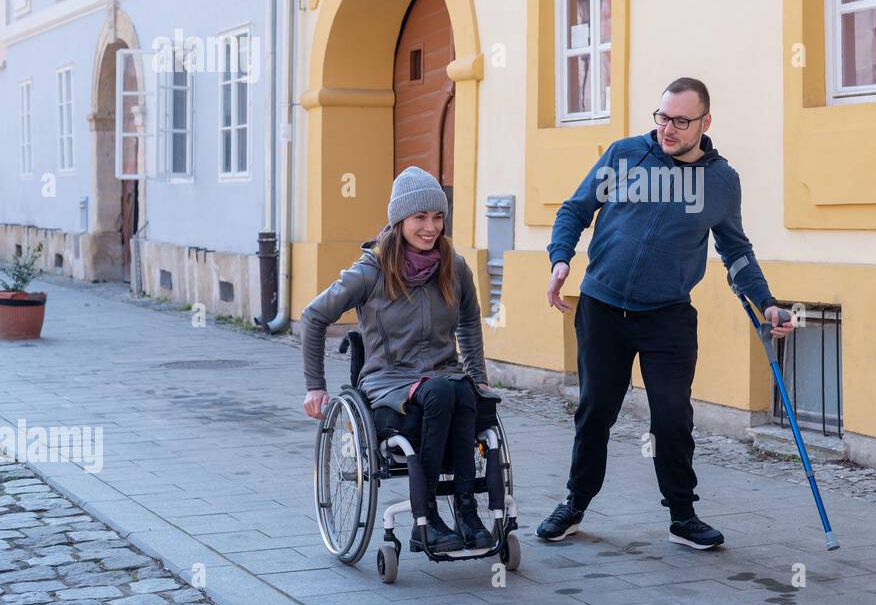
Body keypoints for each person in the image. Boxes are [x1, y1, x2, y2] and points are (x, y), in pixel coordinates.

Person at [537, 77, 794, 550]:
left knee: (672, 416)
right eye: (662, 117)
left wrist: (768, 302)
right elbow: (574, 211)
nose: (667, 130)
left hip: (668, 315)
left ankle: (683, 516)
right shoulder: (624, 155)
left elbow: (736, 251)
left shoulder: (720, 181)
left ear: (705, 123)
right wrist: (560, 260)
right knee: (596, 411)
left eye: (680, 121)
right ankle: (574, 503)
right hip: (602, 306)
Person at [301, 166, 495, 555]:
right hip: (388, 384)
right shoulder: (370, 271)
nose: (431, 227)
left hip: (441, 380)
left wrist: (479, 375)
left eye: (437, 217)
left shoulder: (453, 267)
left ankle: (467, 511)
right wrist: (315, 386)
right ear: (399, 220)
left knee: (462, 389)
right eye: (420, 217)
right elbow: (314, 316)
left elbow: (470, 319)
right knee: (444, 389)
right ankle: (428, 521)